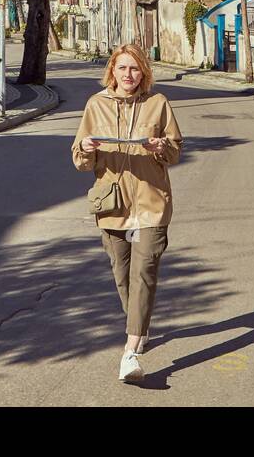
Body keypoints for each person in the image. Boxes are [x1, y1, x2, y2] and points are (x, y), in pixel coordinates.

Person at [71, 43, 183, 384]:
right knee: (123, 276)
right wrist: (87, 149)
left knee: (144, 274)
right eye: (122, 69)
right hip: (112, 206)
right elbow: (78, 158)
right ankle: (139, 325)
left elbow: (176, 152)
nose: (128, 75)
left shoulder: (158, 104)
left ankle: (130, 353)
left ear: (143, 72)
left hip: (152, 205)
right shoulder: (96, 105)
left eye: (134, 69)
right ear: (112, 72)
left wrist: (161, 147)